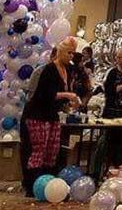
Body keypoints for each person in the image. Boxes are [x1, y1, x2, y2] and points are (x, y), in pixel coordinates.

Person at [21, 38, 80, 195]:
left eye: (73, 53)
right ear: (60, 52)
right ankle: (32, 185)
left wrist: (69, 103)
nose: (71, 56)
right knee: (38, 150)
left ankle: (47, 184)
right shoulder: (47, 70)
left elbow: (61, 96)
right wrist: (68, 95)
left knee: (52, 151)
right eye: (69, 53)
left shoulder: (67, 71)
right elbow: (45, 94)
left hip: (52, 115)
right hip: (37, 114)